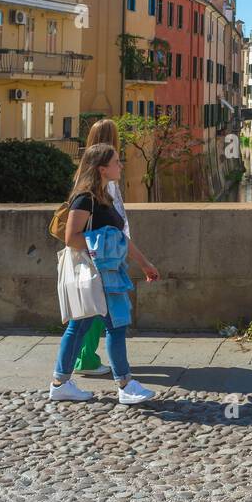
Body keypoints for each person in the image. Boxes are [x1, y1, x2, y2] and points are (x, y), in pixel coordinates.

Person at [50, 143, 160, 404]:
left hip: (109, 272)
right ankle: (125, 384)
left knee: (81, 325)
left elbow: (121, 238)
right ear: (102, 169)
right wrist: (103, 243)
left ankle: (60, 383)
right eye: (116, 162)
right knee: (115, 326)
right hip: (98, 274)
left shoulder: (104, 197)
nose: (121, 166)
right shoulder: (85, 198)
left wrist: (145, 263)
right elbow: (71, 238)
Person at [73, 118, 128, 377]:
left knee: (90, 309)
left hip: (92, 248)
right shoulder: (106, 176)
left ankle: (78, 362)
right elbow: (115, 214)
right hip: (104, 250)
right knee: (102, 310)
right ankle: (86, 360)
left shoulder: (84, 173)